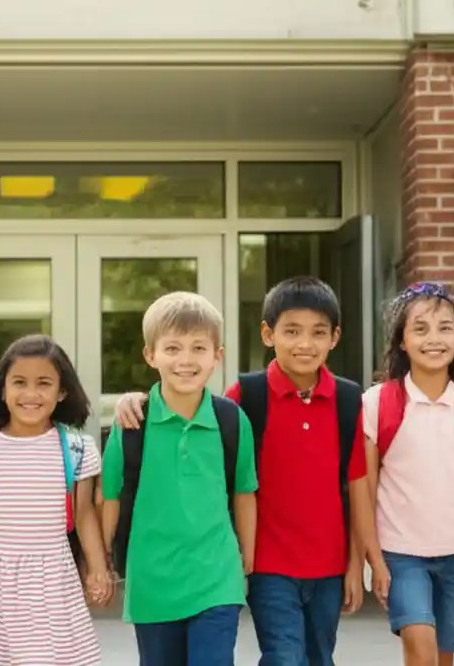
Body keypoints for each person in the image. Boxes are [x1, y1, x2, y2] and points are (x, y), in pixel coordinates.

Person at [115, 277, 367, 666]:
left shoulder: (349, 400)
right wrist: (132, 400)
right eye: (292, 331)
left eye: (318, 332)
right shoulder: (246, 397)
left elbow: (356, 487)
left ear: (335, 337)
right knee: (284, 657)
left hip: (327, 566)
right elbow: (188, 400)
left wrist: (358, 563)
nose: (305, 343)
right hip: (268, 563)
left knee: (319, 658)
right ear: (268, 334)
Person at [353, 282, 454, 666]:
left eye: (445, 328)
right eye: (420, 329)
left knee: (442, 655)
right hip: (401, 553)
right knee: (420, 647)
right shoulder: (378, 403)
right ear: (402, 341)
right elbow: (364, 487)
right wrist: (372, 556)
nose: (434, 339)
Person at [0, 334, 112, 665]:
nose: (31, 394)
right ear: (3, 389)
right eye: (19, 382)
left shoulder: (76, 447)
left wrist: (97, 568)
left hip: (48, 581)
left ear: (62, 392)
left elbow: (84, 513)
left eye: (43, 383)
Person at [101, 291, 258, 665]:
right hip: (153, 583)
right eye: (172, 348)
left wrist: (246, 556)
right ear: (150, 355)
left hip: (216, 578)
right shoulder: (130, 425)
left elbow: (244, 492)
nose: (185, 360)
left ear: (217, 356)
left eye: (198, 348)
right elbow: (109, 497)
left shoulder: (232, 421)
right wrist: (102, 560)